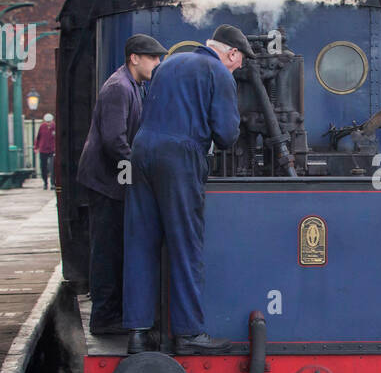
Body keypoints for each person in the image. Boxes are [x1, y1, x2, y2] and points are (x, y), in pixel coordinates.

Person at [123, 25, 248, 355]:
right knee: (185, 243)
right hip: (179, 156)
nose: (237, 68)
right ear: (231, 54)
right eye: (239, 62)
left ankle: (138, 334)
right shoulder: (217, 71)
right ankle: (189, 333)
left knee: (141, 243)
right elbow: (225, 134)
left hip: (141, 151)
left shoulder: (169, 63)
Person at [77, 33, 167, 336]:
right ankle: (103, 318)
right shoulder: (118, 88)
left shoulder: (134, 85)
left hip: (114, 181)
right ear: (135, 58)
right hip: (106, 183)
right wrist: (141, 170)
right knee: (107, 250)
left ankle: (113, 313)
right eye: (153, 57)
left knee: (114, 248)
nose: (158, 62)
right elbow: (114, 141)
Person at [34, 113, 56, 189]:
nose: (48, 123)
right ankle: (45, 183)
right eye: (47, 122)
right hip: (43, 150)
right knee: (43, 167)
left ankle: (53, 183)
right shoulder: (42, 127)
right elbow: (38, 137)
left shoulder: (55, 127)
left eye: (49, 121)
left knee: (52, 166)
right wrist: (36, 147)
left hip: (52, 150)